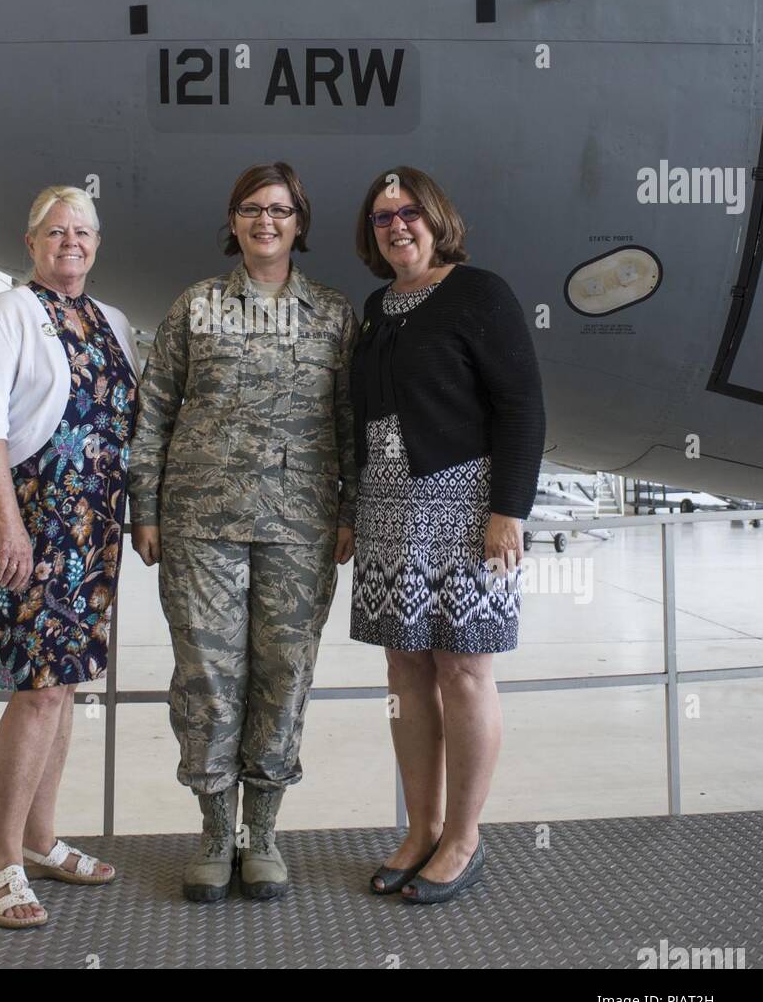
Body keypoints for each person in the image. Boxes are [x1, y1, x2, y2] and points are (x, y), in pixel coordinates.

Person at [129, 163, 356, 901]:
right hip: (201, 524)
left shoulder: (332, 314)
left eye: (281, 210)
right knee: (207, 679)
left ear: (300, 224)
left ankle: (263, 834)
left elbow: (349, 423)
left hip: (300, 526)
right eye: (253, 209)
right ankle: (213, 831)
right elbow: (155, 408)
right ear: (233, 221)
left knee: (284, 676)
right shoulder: (195, 307)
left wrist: (350, 511)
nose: (267, 221)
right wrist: (146, 507)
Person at [0, 185, 140, 929]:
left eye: (82, 231)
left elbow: (121, 430)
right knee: (38, 690)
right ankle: (0, 860)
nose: (69, 241)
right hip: (32, 530)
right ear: (31, 243)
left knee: (67, 683)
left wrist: (134, 518)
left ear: (97, 245)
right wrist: (10, 528)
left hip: (92, 533)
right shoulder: (4, 314)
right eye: (55, 231)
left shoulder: (112, 323)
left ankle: (42, 840)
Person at [350, 167, 545, 905]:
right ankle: (419, 828)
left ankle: (463, 838)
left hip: (466, 507)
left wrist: (509, 509)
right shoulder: (377, 307)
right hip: (388, 508)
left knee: (464, 671)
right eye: (381, 218)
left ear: (436, 218)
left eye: (408, 213)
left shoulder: (479, 293)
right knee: (405, 673)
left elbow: (523, 405)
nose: (396, 226)